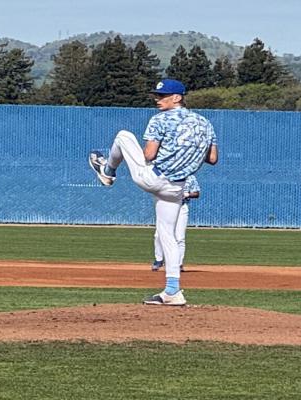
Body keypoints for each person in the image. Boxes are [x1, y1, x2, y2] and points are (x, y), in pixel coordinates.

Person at [89, 78, 217, 305]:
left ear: (177, 98)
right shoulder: (205, 123)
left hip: (154, 178)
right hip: (177, 187)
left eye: (162, 96)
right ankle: (172, 291)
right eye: (156, 95)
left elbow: (148, 155)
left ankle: (107, 171)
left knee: (123, 136)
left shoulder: (160, 119)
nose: (157, 100)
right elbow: (212, 158)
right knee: (168, 235)